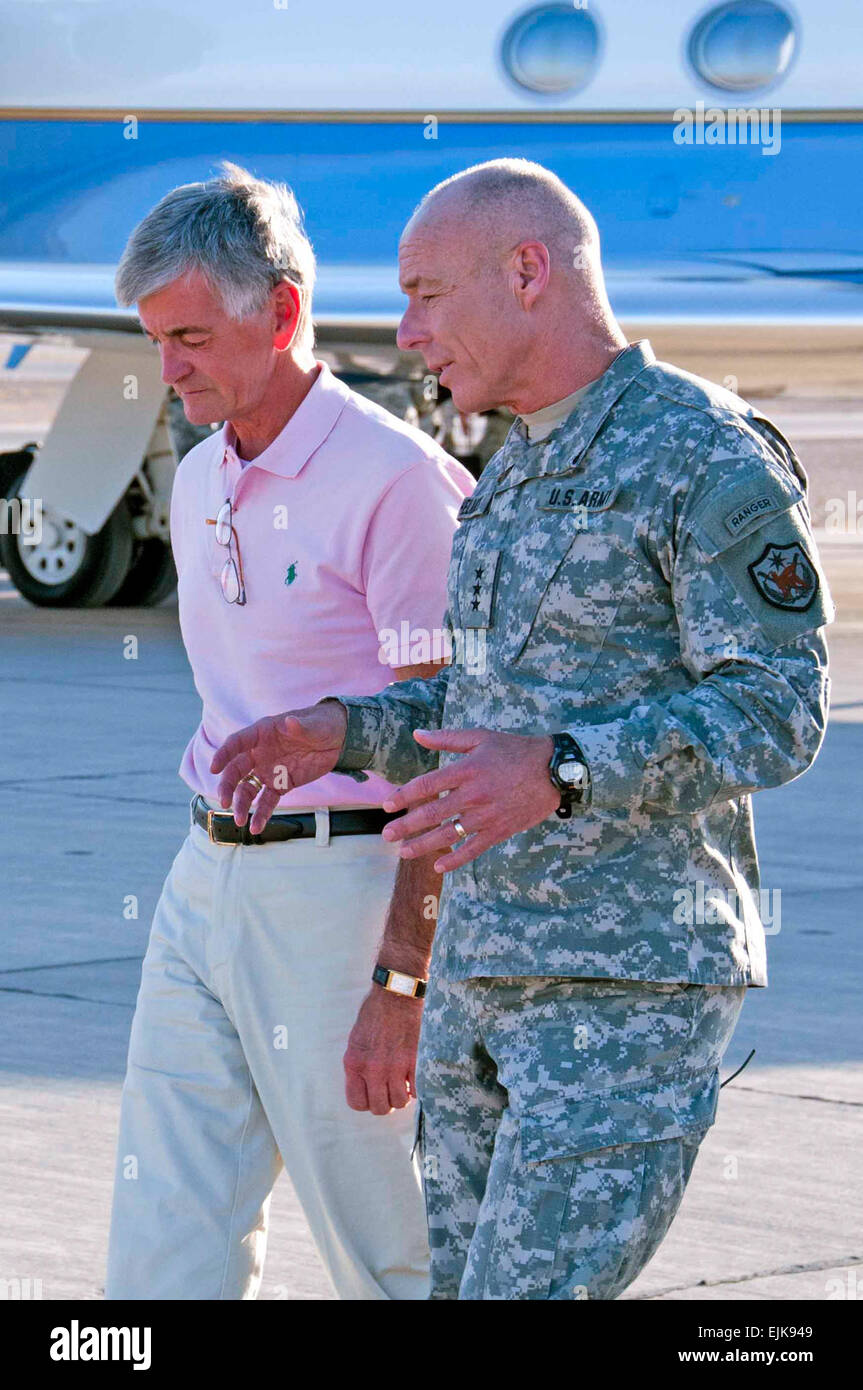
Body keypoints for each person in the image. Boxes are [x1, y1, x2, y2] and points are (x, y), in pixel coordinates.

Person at [210, 159, 833, 1301]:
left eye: (424, 296)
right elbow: (475, 718)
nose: (405, 334)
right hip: (482, 982)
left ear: (527, 270)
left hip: (620, 990)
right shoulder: (509, 475)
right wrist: (339, 732)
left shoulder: (698, 451)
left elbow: (779, 704)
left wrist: (563, 769)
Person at [104, 164, 474, 1300]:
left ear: (280, 313)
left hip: (348, 893)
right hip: (200, 879)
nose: (168, 370)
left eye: (192, 338)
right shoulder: (200, 471)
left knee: (389, 1254)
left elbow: (459, 746)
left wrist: (401, 980)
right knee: (163, 1245)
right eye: (155, 339)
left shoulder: (399, 483)